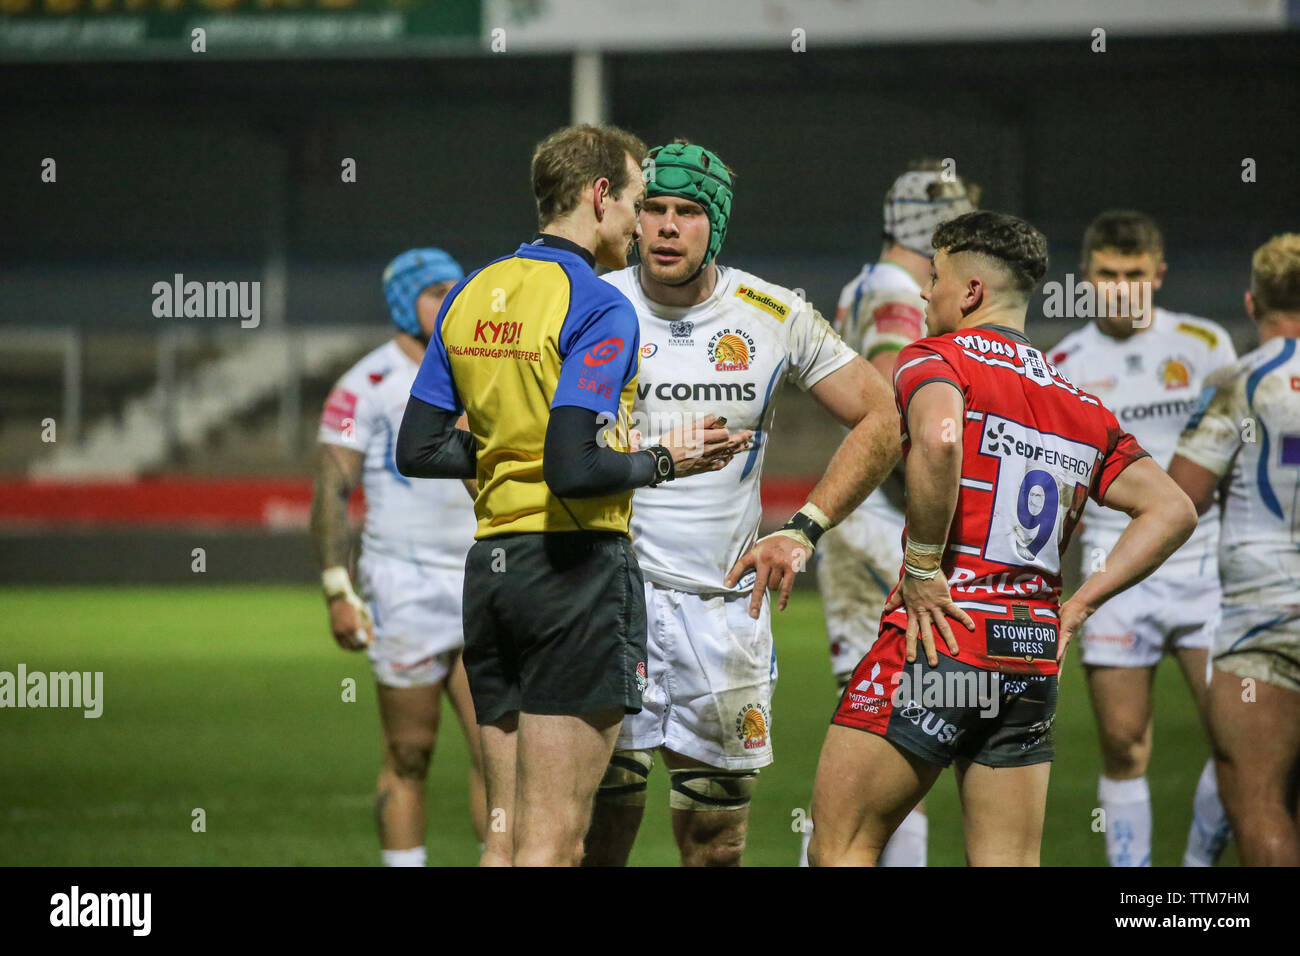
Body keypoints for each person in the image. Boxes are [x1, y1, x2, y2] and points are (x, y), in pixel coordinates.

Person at [393, 125, 750, 867]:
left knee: (504, 839)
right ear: (599, 195)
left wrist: (510, 455)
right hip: (573, 572)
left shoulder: (471, 293)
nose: (641, 223)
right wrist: (664, 459)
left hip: (493, 575)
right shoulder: (598, 304)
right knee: (554, 842)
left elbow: (418, 449)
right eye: (637, 203)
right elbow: (572, 467)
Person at [808, 210, 1198, 866]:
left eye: (935, 278)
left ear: (970, 292)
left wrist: (923, 566)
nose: (924, 292)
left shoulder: (935, 358)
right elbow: (1174, 509)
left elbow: (939, 440)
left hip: (944, 636)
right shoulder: (1082, 404)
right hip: (1030, 651)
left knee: (842, 847)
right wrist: (1079, 606)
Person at [581, 140, 900, 867]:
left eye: (689, 212)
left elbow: (883, 415)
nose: (667, 226)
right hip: (610, 605)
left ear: (715, 224)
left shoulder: (772, 312)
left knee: (716, 847)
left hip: (724, 615)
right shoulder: (594, 304)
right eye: (654, 209)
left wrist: (804, 529)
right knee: (595, 841)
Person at [1049, 211, 1237, 866]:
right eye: (1108, 274)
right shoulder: (1064, 365)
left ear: (1157, 274)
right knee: (1124, 744)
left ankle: (1193, 872)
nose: (1121, 287)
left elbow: (1233, 457)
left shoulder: (1205, 345)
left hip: (1204, 566)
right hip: (1114, 571)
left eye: (1134, 273)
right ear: (1086, 277)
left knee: (1235, 742)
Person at [806, 160, 976, 867]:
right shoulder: (897, 293)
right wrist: (942, 504)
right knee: (896, 740)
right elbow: (896, 402)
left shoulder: (867, 284)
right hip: (882, 529)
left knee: (889, 737)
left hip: (870, 527)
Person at [310, 247, 485, 866]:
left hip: (484, 579)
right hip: (403, 586)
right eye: (436, 292)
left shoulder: (486, 368)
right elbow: (332, 489)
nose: (451, 301)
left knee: (500, 755)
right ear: (403, 302)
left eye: (456, 289)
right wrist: (338, 588)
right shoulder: (366, 385)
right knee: (409, 753)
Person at [1168, 233, 1300, 866]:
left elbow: (1183, 495)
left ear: (1252, 303)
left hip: (1265, 618)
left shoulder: (1240, 381)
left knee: (1259, 803)